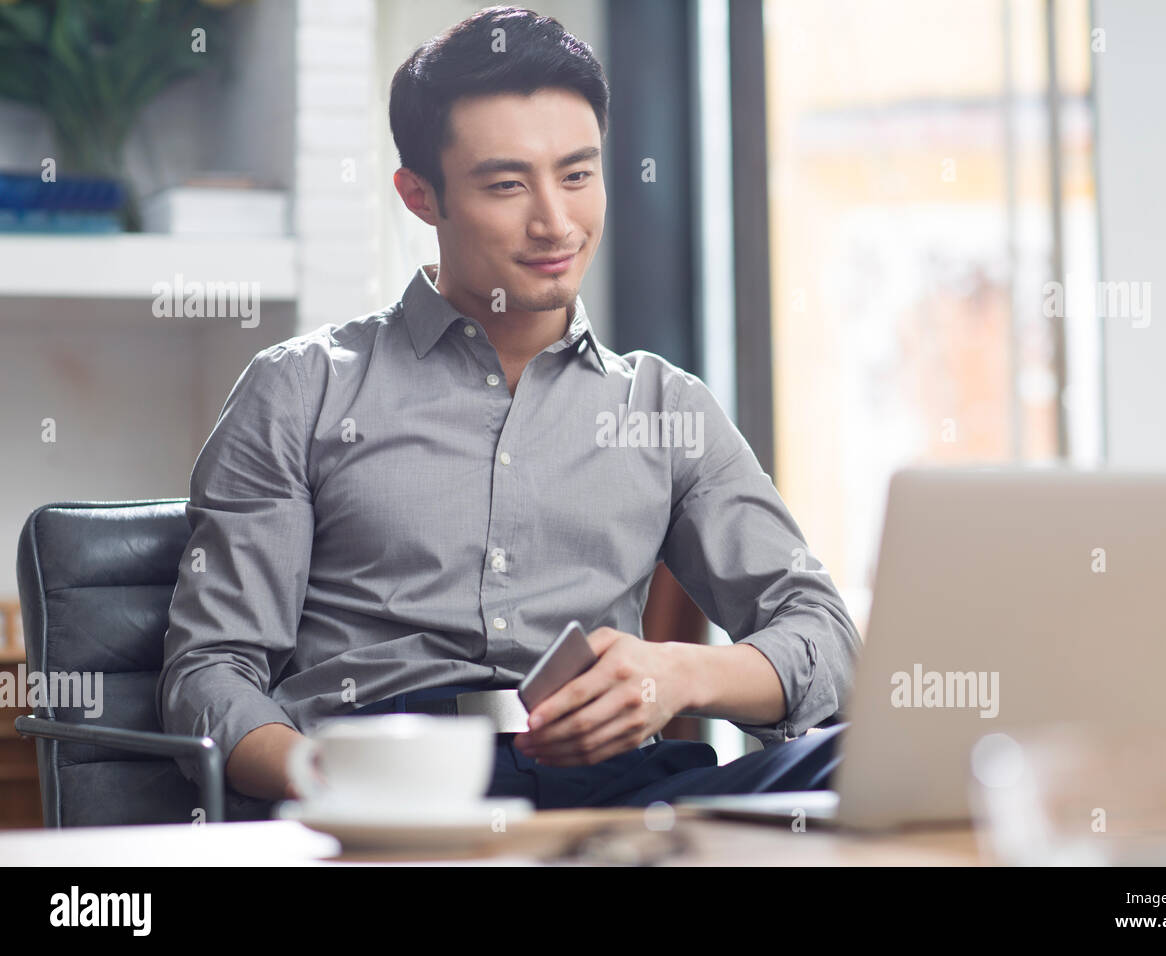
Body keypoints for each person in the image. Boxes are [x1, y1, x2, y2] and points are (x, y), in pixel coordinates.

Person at [157, 4, 860, 817]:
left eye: (577, 173)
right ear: (420, 197)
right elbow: (210, 671)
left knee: (868, 764)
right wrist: (329, 778)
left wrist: (677, 676)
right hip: (385, 789)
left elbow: (824, 634)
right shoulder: (300, 390)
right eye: (506, 184)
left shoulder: (667, 409)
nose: (555, 222)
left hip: (613, 793)